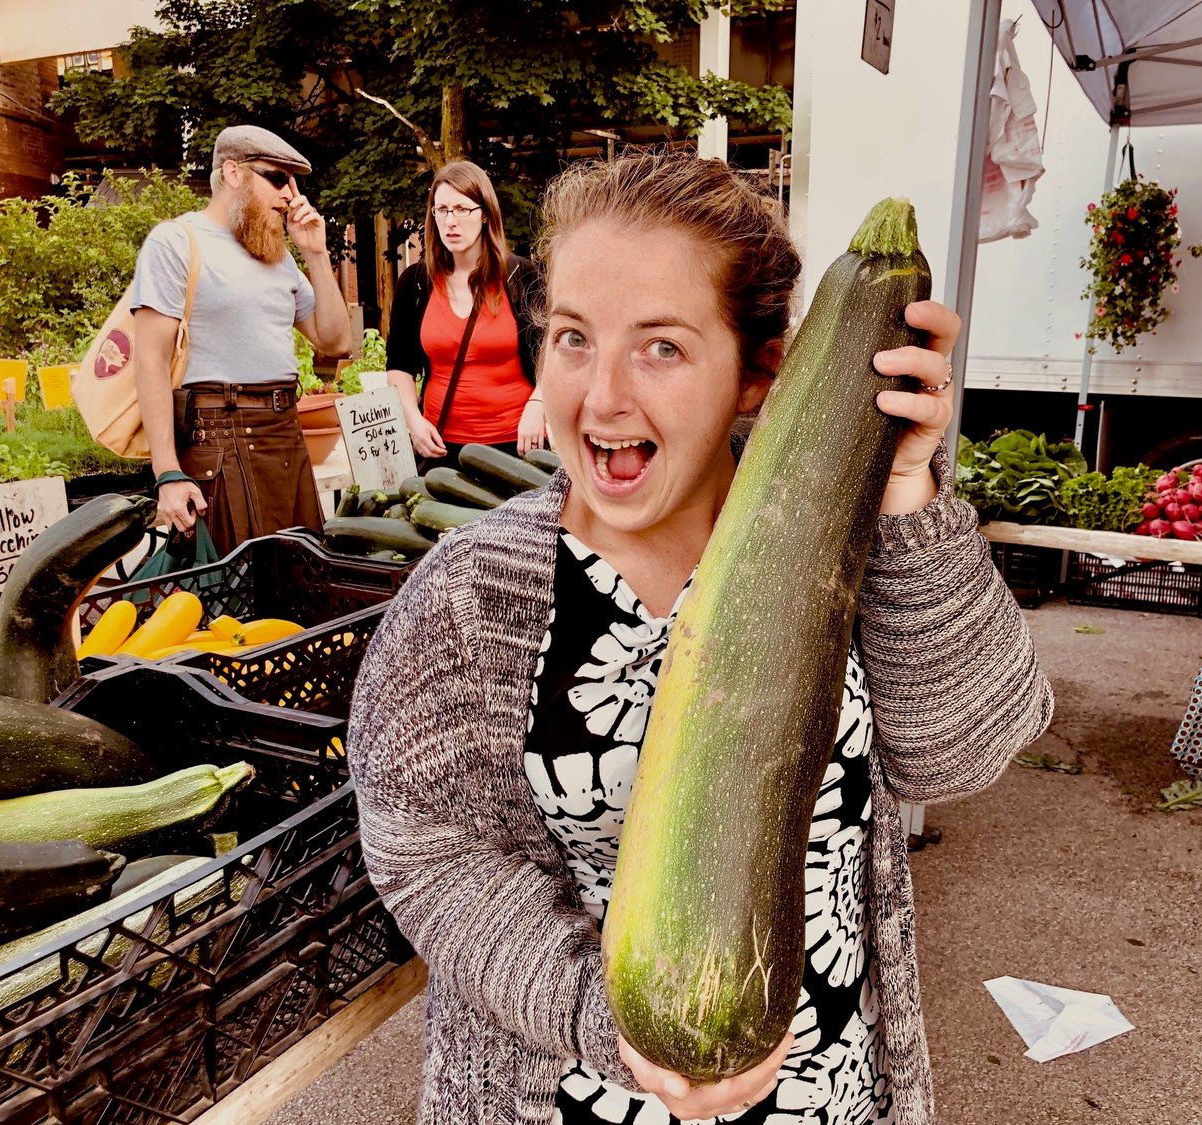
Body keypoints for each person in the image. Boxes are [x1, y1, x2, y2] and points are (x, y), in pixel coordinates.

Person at [348, 151, 1053, 1125]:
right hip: (569, 1097)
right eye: (571, 339)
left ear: (760, 372)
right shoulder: (470, 595)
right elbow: (425, 852)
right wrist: (606, 1016)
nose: (601, 397)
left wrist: (905, 493)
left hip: (827, 1095)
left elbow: (963, 750)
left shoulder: (845, 545)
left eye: (662, 348)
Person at [133, 124, 354, 551]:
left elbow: (336, 341)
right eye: (277, 178)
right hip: (218, 436)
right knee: (233, 600)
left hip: (285, 433)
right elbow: (151, 361)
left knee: (296, 591)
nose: (291, 194)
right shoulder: (176, 241)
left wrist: (315, 254)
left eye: (294, 182)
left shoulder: (277, 255)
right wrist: (168, 473)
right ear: (233, 173)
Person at [385, 160, 545, 469]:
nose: (450, 222)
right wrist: (413, 420)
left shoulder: (522, 277)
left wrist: (540, 405)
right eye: (441, 210)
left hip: (517, 447)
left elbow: (555, 352)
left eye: (461, 209)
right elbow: (399, 365)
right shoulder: (415, 283)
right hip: (440, 448)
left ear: (485, 214)